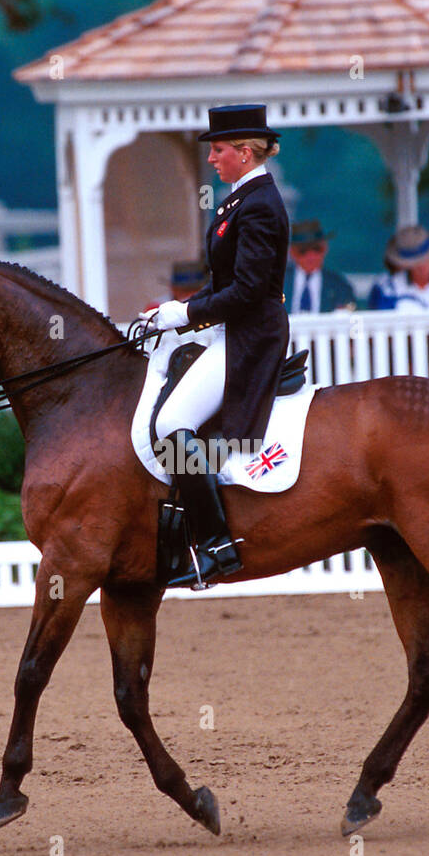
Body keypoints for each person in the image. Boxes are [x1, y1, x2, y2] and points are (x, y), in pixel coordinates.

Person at [141, 103, 290, 587]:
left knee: (170, 422)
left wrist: (183, 314)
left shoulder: (260, 205)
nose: (212, 159)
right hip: (231, 328)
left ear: (245, 153)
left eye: (219, 150)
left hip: (250, 336)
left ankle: (215, 544)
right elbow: (223, 282)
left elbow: (247, 292)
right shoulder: (237, 201)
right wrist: (169, 313)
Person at [369, 225, 429, 310]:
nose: (422, 265)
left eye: (426, 258)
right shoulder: (387, 288)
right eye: (416, 262)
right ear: (405, 264)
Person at [286, 219, 357, 312]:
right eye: (302, 250)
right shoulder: (279, 283)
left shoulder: (339, 285)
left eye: (317, 249)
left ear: (325, 248)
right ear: (292, 252)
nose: (311, 256)